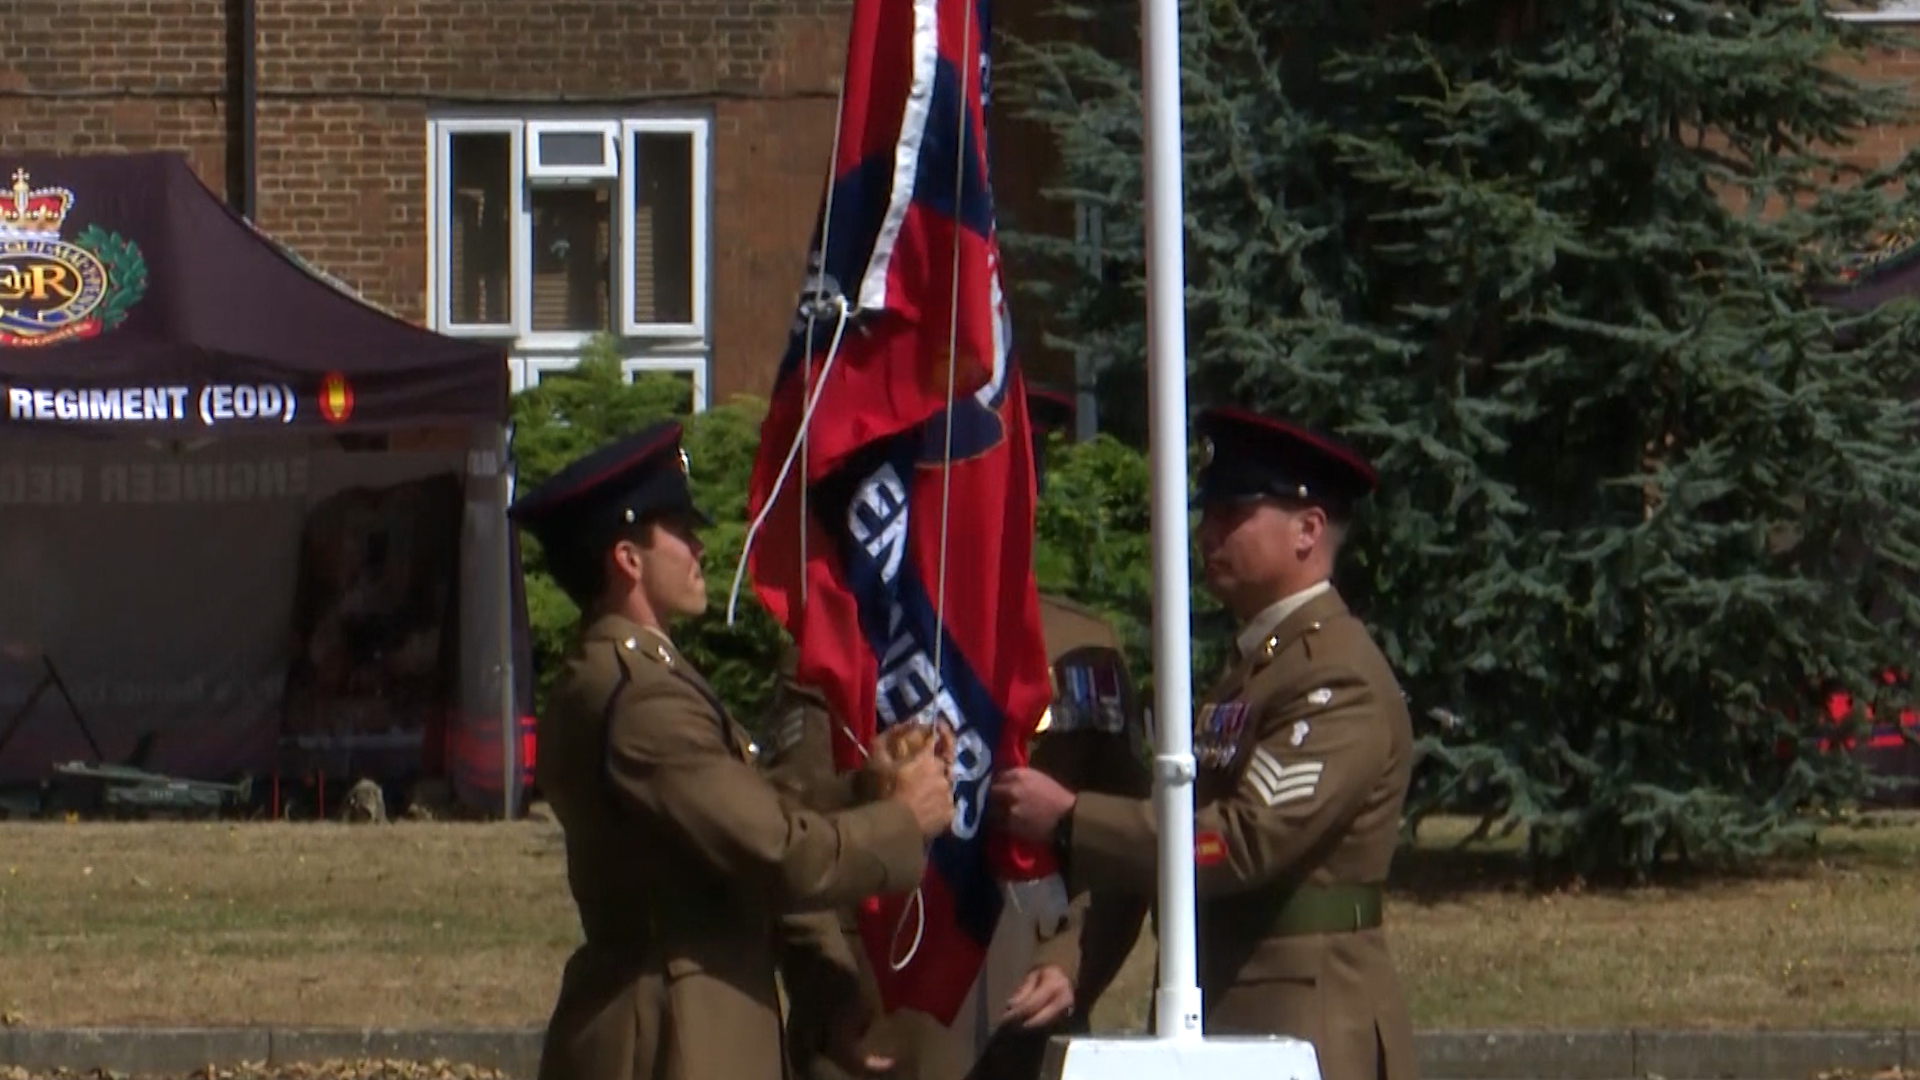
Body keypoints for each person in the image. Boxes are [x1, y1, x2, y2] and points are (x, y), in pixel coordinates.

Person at [509, 421, 959, 1080]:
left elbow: (740, 813)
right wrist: (903, 819)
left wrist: (864, 789)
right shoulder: (642, 701)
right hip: (672, 1036)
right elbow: (775, 854)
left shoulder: (635, 678)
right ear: (627, 559)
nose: (699, 547)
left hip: (687, 1022)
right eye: (679, 531)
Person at [991, 405, 1418, 1080]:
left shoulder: (1333, 675)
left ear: (1308, 530)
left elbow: (1244, 840)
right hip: (1235, 1001)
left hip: (1300, 1016)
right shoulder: (1261, 665)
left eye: (1233, 516)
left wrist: (1073, 819)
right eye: (1208, 514)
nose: (1207, 534)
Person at [765, 387, 1152, 1080]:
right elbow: (789, 835)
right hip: (876, 1009)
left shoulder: (1082, 647)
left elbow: (1122, 848)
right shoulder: (844, 644)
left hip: (1024, 1010)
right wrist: (828, 995)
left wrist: (1074, 963)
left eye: (997, 481)